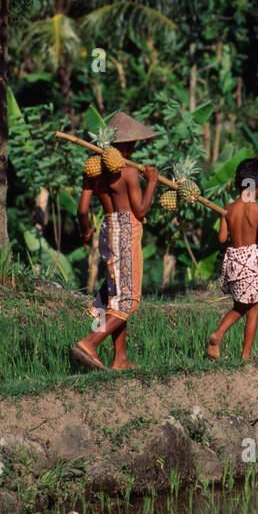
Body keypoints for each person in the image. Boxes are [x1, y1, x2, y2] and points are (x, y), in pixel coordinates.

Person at [71, 111, 159, 372]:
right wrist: (152, 182)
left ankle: (119, 358)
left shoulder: (93, 170)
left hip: (107, 228)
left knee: (115, 294)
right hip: (125, 231)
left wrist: (85, 232)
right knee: (128, 300)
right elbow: (141, 211)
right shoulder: (130, 172)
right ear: (129, 145)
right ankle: (90, 342)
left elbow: (83, 210)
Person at [207, 156, 258, 362]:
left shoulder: (228, 209)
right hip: (252, 264)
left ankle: (222, 337)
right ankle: (244, 354)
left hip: (233, 262)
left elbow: (222, 238)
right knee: (253, 310)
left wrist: (226, 220)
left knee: (240, 305)